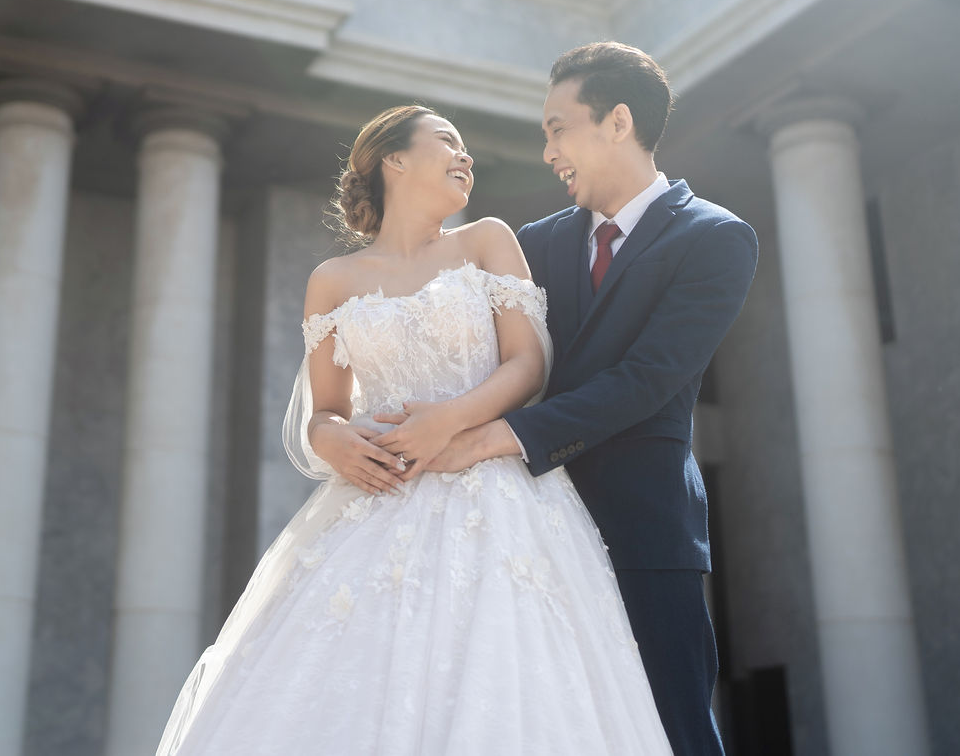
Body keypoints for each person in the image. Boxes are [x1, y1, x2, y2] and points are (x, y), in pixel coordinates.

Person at [154, 104, 672, 755]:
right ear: (395, 159)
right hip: (377, 496)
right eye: (449, 141)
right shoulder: (333, 280)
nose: (467, 156)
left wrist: (448, 422)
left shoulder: (485, 239)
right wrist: (329, 437)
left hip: (495, 492)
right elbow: (326, 409)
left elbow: (527, 362)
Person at [396, 43, 758, 756]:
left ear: (617, 121)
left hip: (642, 531)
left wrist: (496, 437)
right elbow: (500, 364)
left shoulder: (716, 238)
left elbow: (647, 380)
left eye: (558, 127)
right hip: (526, 528)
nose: (547, 150)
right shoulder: (535, 242)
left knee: (672, 730)